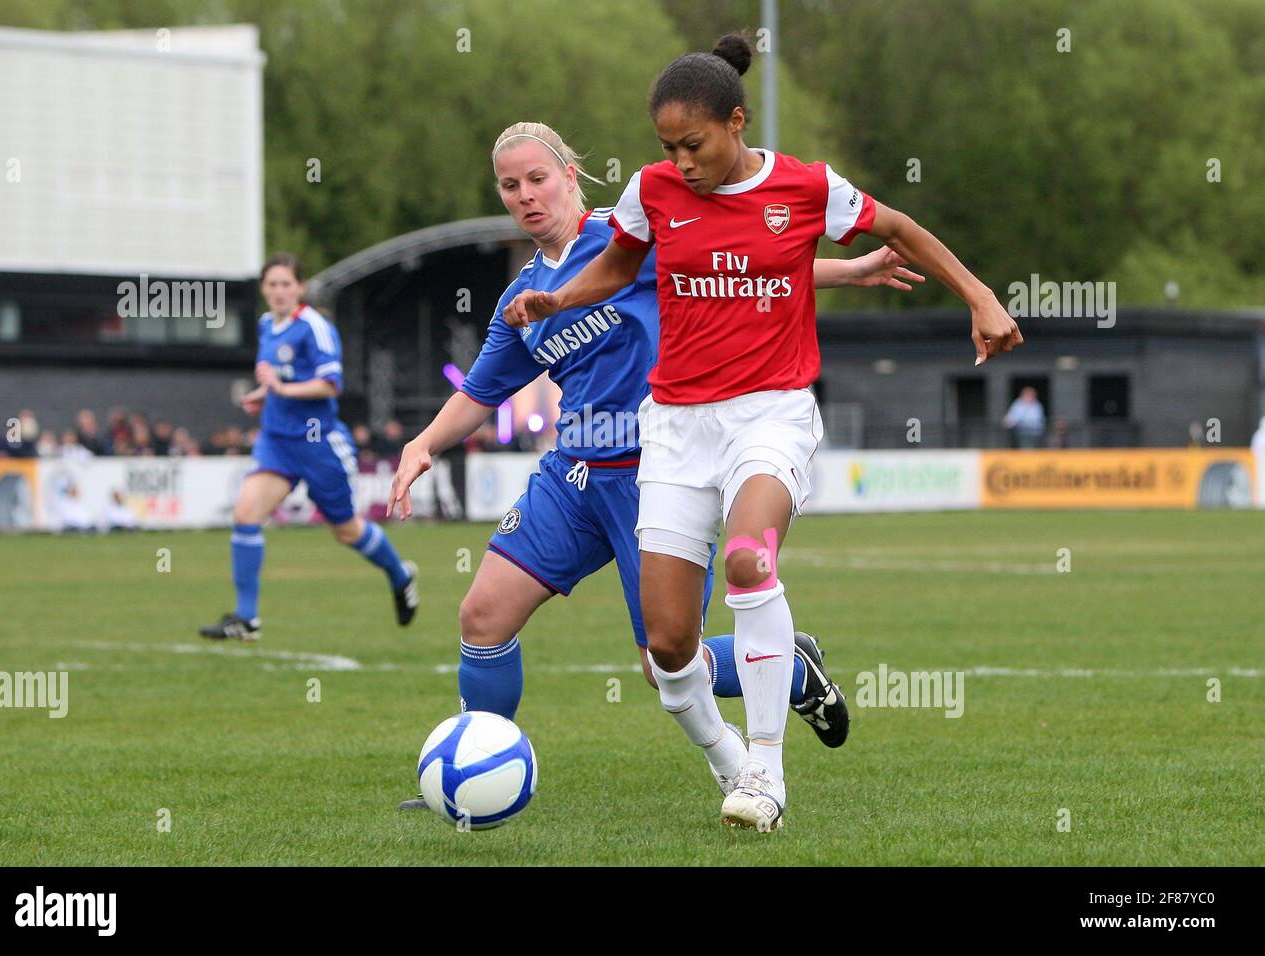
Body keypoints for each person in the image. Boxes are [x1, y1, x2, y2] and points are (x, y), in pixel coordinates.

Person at [504, 35, 1023, 830]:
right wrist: (559, 298)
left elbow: (900, 226)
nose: (681, 163)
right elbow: (619, 266)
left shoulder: (806, 187)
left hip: (771, 413)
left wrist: (980, 296)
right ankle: (730, 763)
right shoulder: (652, 191)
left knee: (748, 559)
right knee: (667, 649)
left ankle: (767, 773)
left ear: (736, 122)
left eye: (695, 144)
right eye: (668, 148)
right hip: (675, 426)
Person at [391, 121, 922, 769]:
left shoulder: (630, 237)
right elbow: (480, 392)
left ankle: (791, 671)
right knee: (482, 617)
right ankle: (474, 769)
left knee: (664, 661)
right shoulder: (522, 299)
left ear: (569, 176)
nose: (525, 195)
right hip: (572, 478)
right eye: (509, 185)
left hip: (656, 472)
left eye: (537, 178)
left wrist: (852, 269)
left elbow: (746, 268)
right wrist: (423, 443)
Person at [200, 253, 418, 642]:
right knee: (245, 514)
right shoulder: (266, 325)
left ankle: (399, 575)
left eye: (286, 284)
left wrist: (281, 389)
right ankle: (246, 620)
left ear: (299, 287)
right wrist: (264, 394)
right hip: (277, 442)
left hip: (318, 445)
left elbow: (329, 385)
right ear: (263, 289)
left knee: (346, 531)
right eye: (272, 284)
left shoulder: (315, 328)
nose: (279, 291)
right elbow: (279, 378)